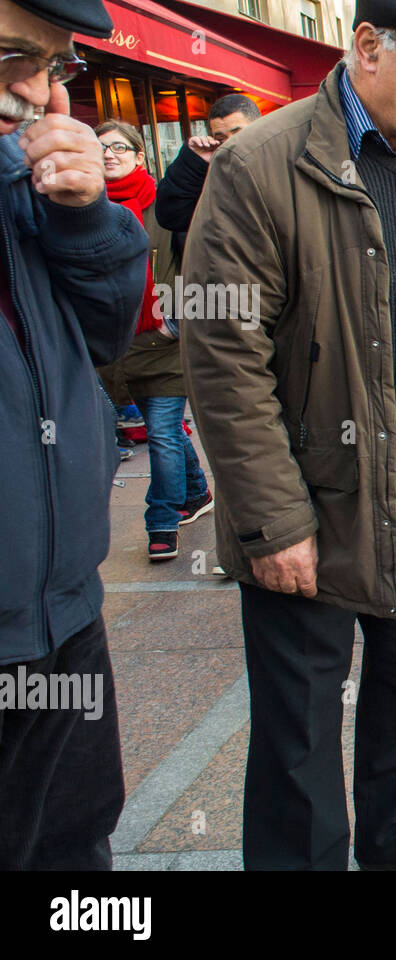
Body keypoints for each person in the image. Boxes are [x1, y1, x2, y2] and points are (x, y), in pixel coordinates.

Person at [181, 0, 396, 871]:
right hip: (316, 494)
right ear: (367, 46)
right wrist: (274, 520)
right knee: (300, 715)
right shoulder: (262, 163)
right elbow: (225, 358)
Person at [0, 0, 149, 870]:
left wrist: (87, 215)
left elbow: (108, 334)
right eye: (14, 56)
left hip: (63, 598)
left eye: (55, 66)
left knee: (76, 840)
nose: (35, 90)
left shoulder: (27, 182)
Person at [94, 120, 212, 561]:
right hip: (113, 349)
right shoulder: (84, 208)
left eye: (119, 147)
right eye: (100, 147)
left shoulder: (165, 203)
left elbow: (198, 262)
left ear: (140, 156)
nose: (109, 154)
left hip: (162, 345)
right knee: (166, 435)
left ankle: (161, 522)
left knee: (162, 432)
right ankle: (198, 492)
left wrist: (175, 323)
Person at [153, 93, 261, 264]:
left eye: (239, 133)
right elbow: (171, 216)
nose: (231, 143)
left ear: (260, 127)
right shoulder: (210, 175)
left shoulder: (283, 162)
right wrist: (192, 162)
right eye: (221, 138)